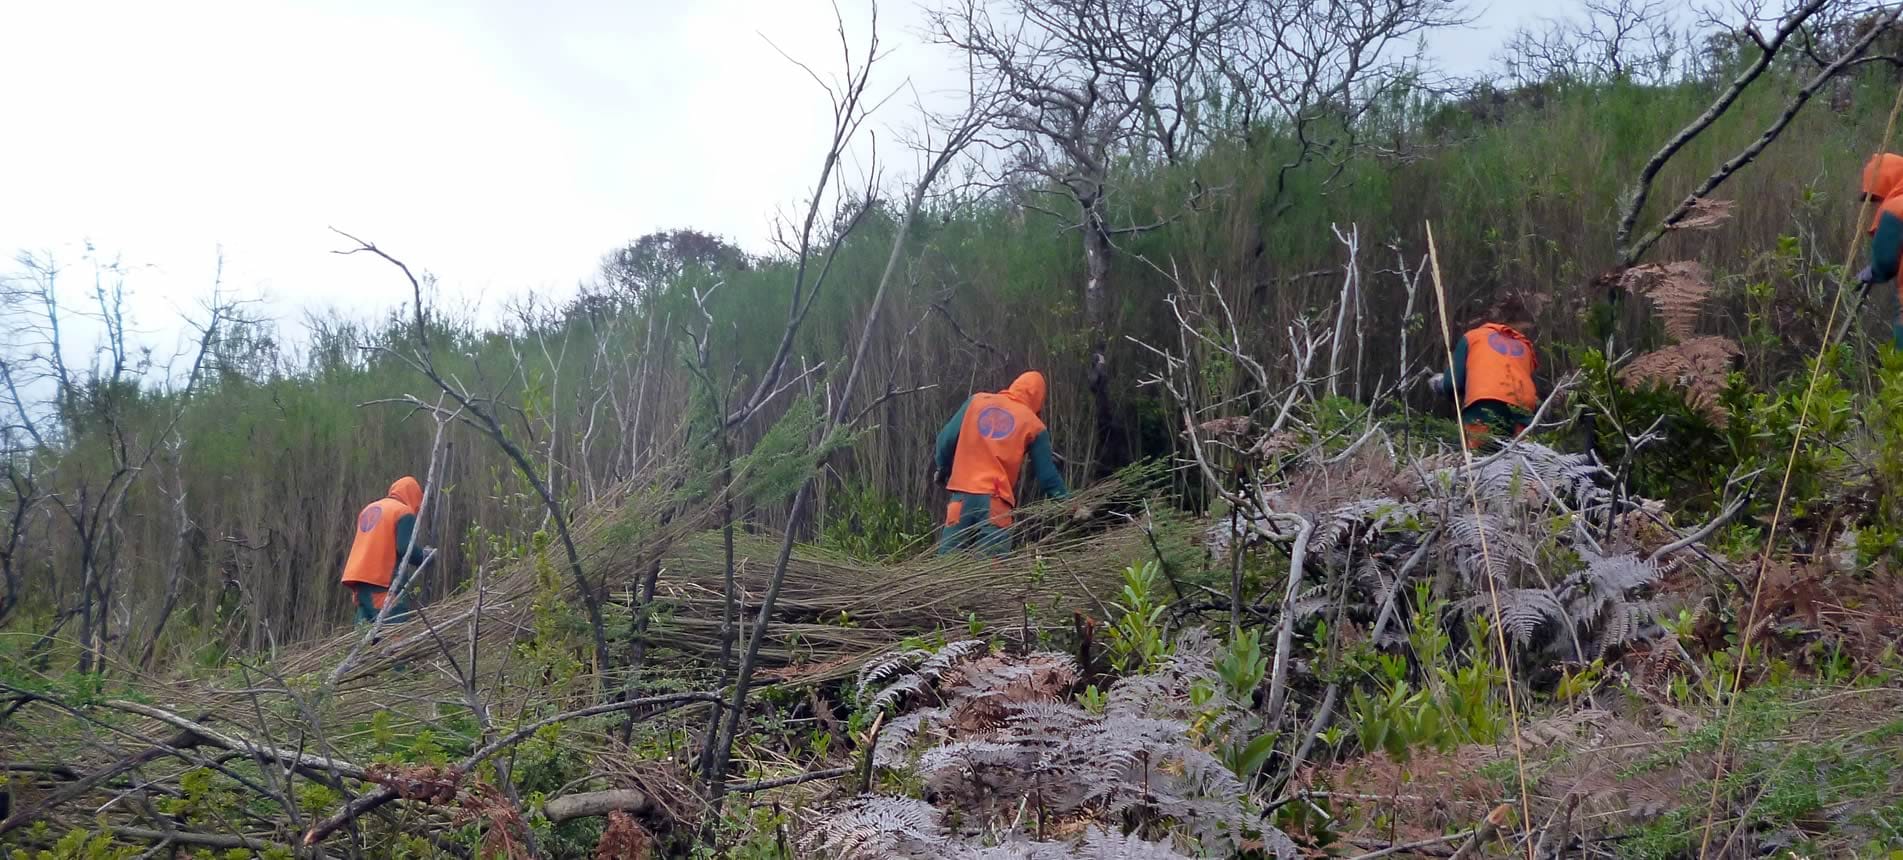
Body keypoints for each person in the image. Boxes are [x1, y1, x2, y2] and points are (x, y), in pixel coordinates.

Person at [933, 371, 1068, 556]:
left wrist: (943, 468)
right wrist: (1071, 505)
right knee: (990, 576)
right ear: (1038, 399)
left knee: (945, 569)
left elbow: (944, 440)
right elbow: (1047, 477)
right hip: (995, 504)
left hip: (961, 500)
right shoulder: (1034, 425)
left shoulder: (976, 401)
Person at [1431, 318, 1539, 449]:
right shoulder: (1524, 345)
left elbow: (1452, 384)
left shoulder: (1472, 337)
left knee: (1481, 458)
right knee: (1521, 458)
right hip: (1523, 406)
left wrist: (1438, 384)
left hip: (1484, 403)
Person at [339, 476, 433, 625]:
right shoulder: (403, 512)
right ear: (414, 496)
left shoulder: (370, 509)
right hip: (381, 582)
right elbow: (405, 548)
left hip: (358, 581)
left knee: (365, 635)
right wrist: (424, 556)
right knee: (394, 631)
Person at [1857, 152, 1903, 349]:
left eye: (1875, 197)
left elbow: (1885, 262)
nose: (1877, 203)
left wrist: (1874, 271)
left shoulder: (1895, 208)